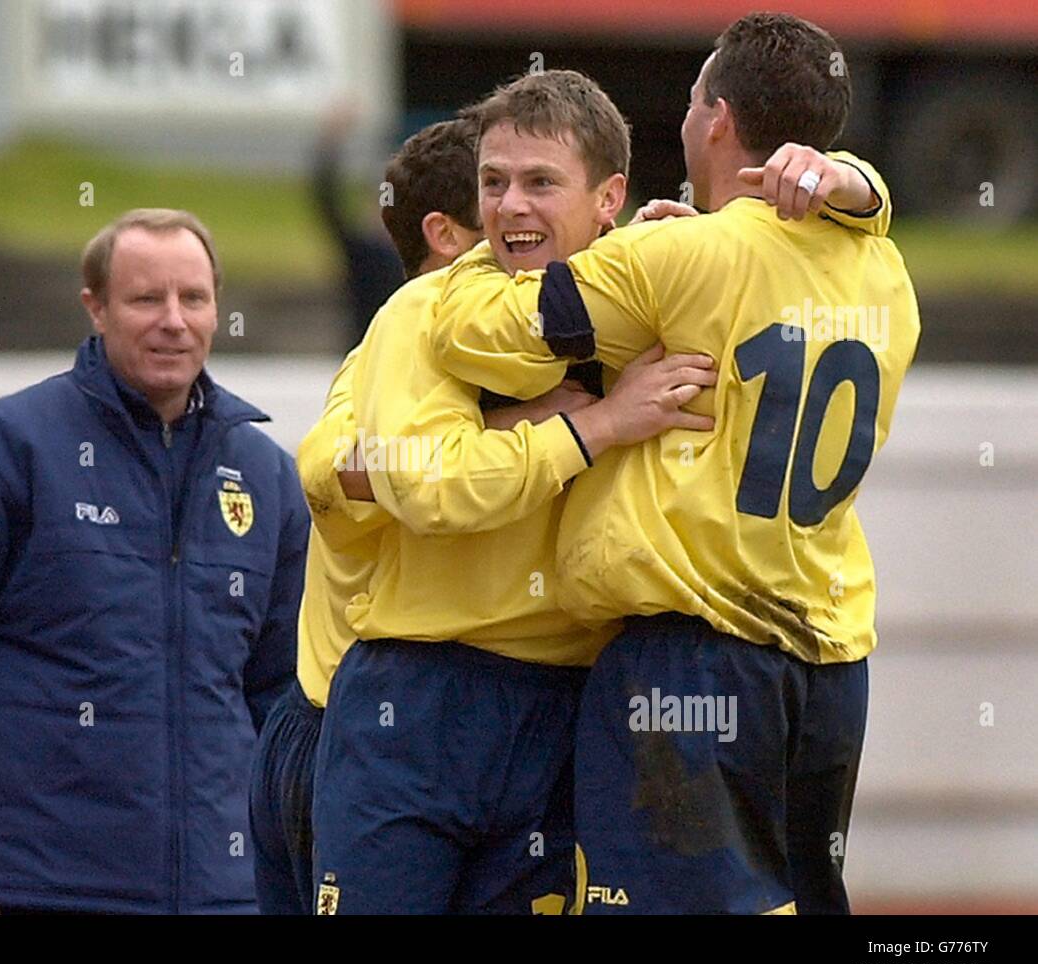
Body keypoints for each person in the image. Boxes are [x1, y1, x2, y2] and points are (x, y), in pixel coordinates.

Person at [429, 14, 918, 914]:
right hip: (830, 665)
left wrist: (473, 247)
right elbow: (777, 273)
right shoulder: (885, 270)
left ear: (720, 119)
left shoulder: (675, 255)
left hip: (692, 657)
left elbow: (482, 338)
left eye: (693, 102)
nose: (687, 122)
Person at [0, 209, 309, 914]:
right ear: (95, 307)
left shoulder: (269, 480)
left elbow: (286, 686)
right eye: (146, 298)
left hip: (224, 893)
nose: (174, 320)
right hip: (30, 883)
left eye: (194, 298)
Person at [250, 115, 484, 915]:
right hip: (351, 735)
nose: (527, 225)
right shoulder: (395, 341)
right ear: (447, 234)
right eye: (504, 196)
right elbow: (339, 471)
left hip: (360, 727)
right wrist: (573, 430)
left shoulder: (496, 343)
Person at [310, 101, 407, 351]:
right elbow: (326, 201)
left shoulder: (416, 253)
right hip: (363, 356)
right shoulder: (363, 252)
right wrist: (331, 143)